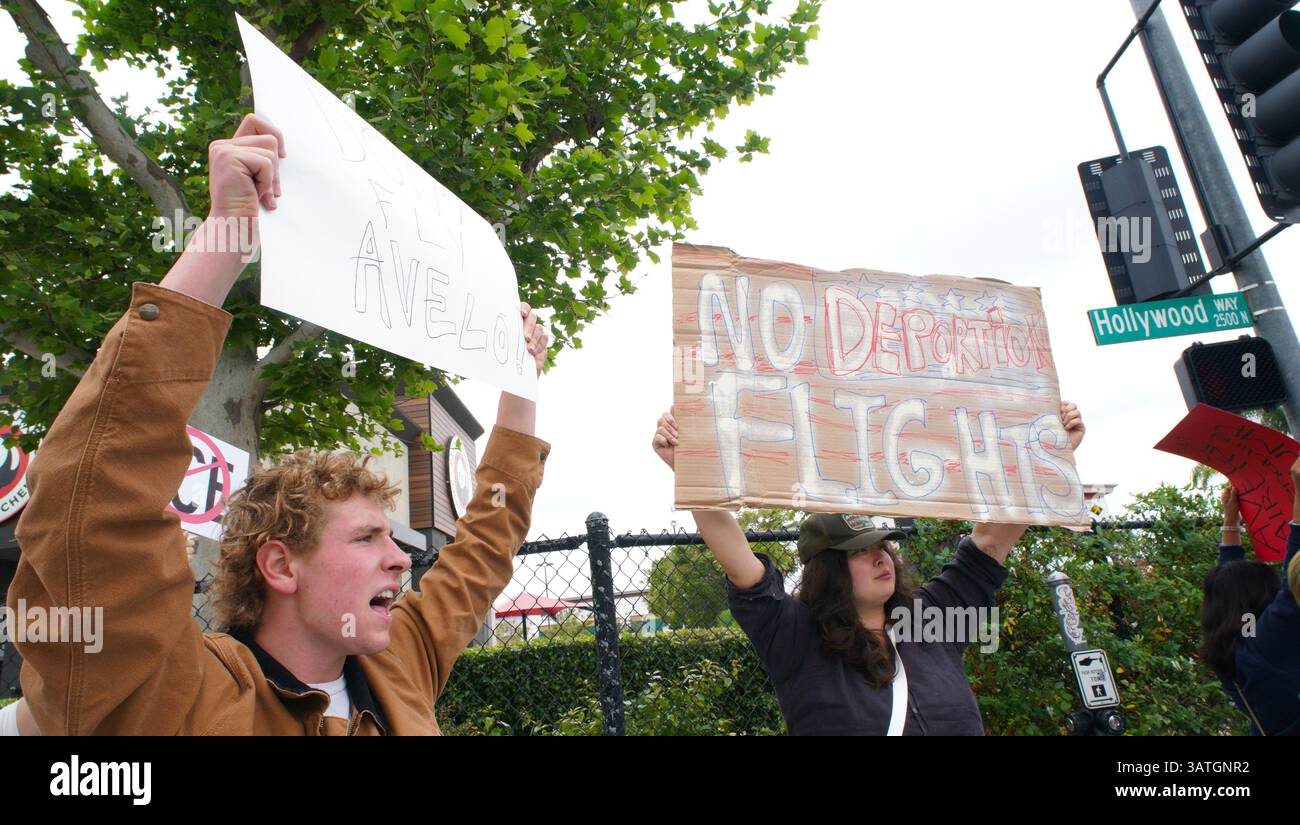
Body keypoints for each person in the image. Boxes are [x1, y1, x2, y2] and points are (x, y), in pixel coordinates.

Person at [9, 113, 551, 735]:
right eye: (366, 538)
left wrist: (520, 375)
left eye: (388, 538)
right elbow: (88, 503)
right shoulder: (170, 692)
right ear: (281, 566)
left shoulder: (401, 661)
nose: (401, 558)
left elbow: (487, 541)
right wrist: (222, 239)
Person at [651, 401, 1086, 735]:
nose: (882, 558)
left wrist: (1049, 453)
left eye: (883, 546)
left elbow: (990, 540)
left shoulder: (931, 617)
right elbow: (738, 560)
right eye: (862, 551)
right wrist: (688, 469)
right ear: (829, 570)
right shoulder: (795, 636)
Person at [1199, 462, 1300, 736]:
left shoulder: (1238, 641)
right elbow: (1294, 577)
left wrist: (1230, 521)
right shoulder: (1269, 637)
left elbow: (1232, 587)